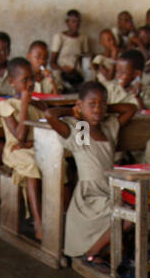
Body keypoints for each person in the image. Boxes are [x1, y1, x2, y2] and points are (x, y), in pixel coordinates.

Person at [44, 82, 137, 263]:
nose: (97, 110)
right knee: (129, 216)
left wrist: (103, 109)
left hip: (110, 188)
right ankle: (92, 253)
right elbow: (50, 115)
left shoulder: (108, 127)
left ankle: (105, 252)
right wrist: (74, 111)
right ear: (80, 106)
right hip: (91, 195)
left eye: (102, 104)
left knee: (139, 212)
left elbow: (131, 108)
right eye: (92, 104)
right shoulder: (82, 130)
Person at [0, 59, 46, 240]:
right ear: (11, 82)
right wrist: (24, 103)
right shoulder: (5, 106)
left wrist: (38, 106)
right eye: (25, 80)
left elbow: (43, 134)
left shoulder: (35, 104)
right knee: (31, 164)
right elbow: (20, 137)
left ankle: (56, 217)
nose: (30, 84)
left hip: (33, 147)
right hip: (14, 151)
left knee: (57, 162)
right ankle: (38, 221)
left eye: (32, 79)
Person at [50, 10, 90, 89]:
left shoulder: (83, 38)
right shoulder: (59, 37)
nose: (77, 24)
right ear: (67, 22)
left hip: (76, 72)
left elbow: (86, 57)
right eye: (73, 21)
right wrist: (62, 69)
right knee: (60, 86)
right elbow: (52, 63)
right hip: (61, 71)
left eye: (78, 22)